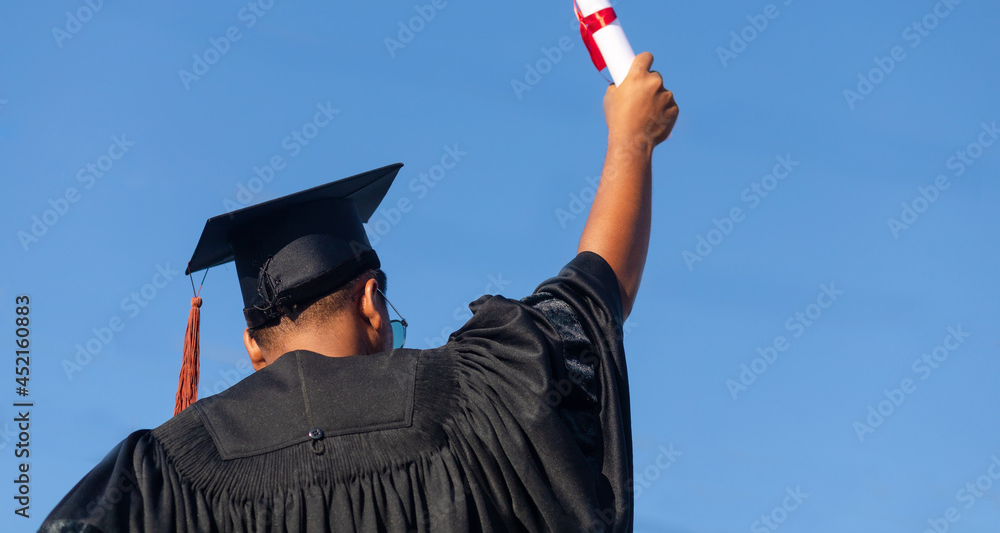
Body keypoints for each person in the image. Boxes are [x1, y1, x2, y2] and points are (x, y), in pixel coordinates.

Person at [40, 52, 678, 532]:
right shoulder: (483, 394)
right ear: (372, 304)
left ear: (253, 347)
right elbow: (590, 300)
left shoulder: (159, 475)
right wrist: (633, 141)